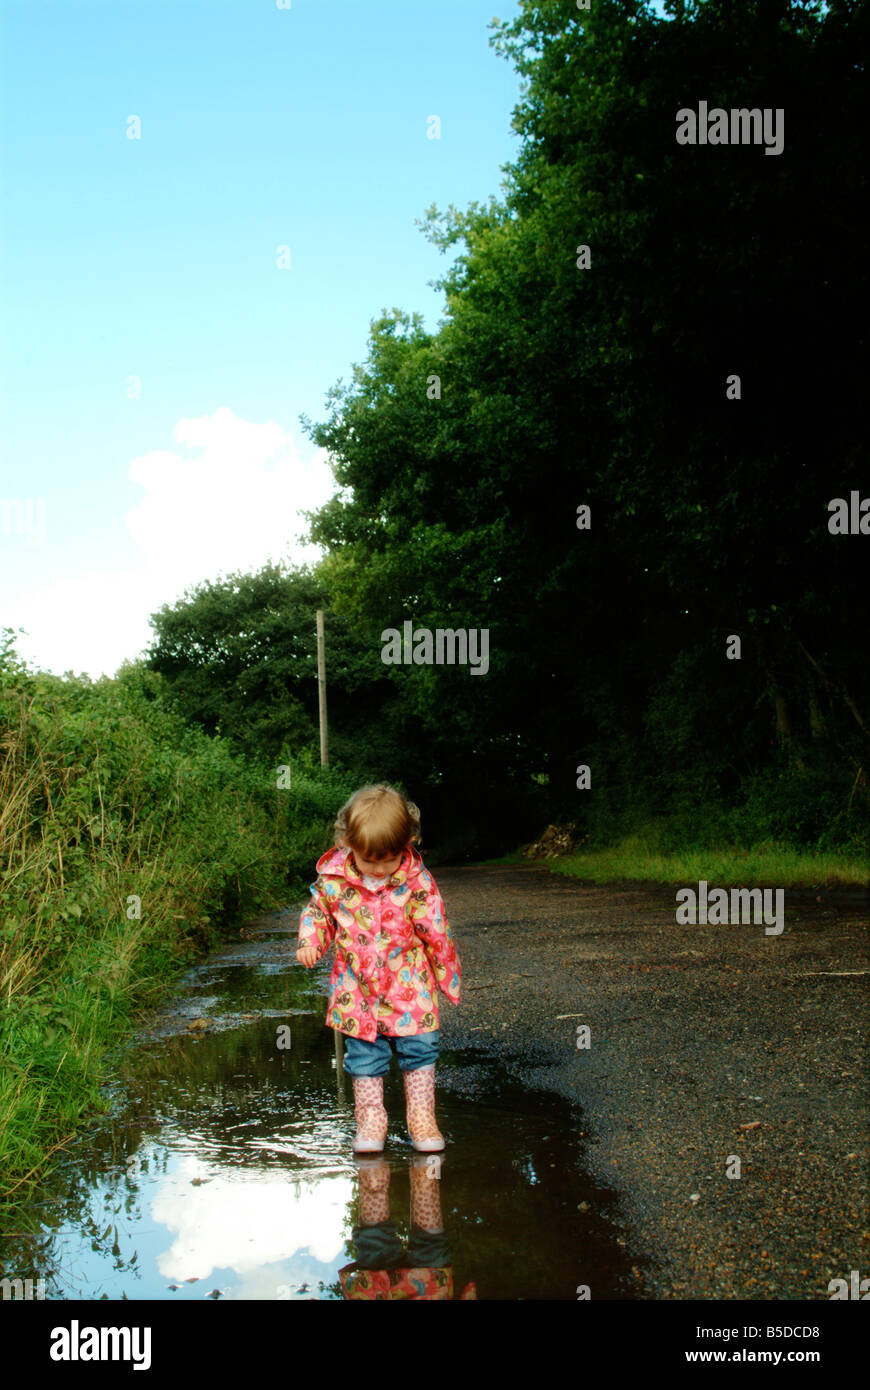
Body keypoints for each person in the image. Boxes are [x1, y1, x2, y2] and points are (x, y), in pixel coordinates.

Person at [296, 783, 461, 1153]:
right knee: (364, 1057)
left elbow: (436, 927)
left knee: (420, 1049)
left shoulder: (416, 881)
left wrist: (446, 974)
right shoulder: (335, 880)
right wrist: (311, 941)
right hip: (358, 992)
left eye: (390, 859)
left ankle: (421, 1118)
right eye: (370, 860)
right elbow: (318, 913)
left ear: (408, 843)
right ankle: (371, 1119)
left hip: (411, 987)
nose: (381, 868)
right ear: (347, 843)